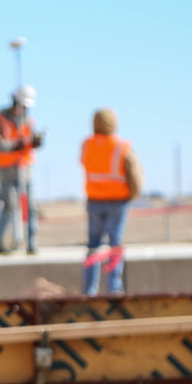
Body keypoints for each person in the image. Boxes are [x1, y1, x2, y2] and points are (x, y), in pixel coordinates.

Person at [80, 108, 143, 295]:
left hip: (94, 201)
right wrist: (132, 194)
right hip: (118, 202)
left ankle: (89, 290)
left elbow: (83, 163)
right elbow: (135, 176)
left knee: (93, 244)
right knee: (115, 244)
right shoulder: (121, 147)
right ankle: (114, 288)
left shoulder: (87, 145)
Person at [0, 85, 44, 253]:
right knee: (10, 205)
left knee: (31, 207)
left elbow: (30, 140)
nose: (24, 109)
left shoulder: (27, 120)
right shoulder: (0, 120)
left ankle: (31, 244)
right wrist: (15, 145)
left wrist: (36, 141)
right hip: (6, 170)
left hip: (24, 168)